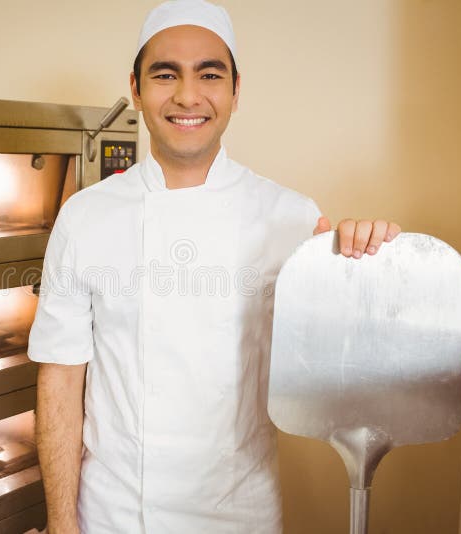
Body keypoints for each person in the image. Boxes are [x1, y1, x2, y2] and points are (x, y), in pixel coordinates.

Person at [28, 1, 401, 532]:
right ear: (135, 88)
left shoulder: (291, 217)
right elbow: (61, 382)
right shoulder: (85, 218)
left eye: (209, 74)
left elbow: (348, 371)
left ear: (235, 90)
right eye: (165, 74)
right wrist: (62, 526)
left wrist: (366, 265)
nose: (187, 95)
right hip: (112, 515)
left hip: (239, 514)